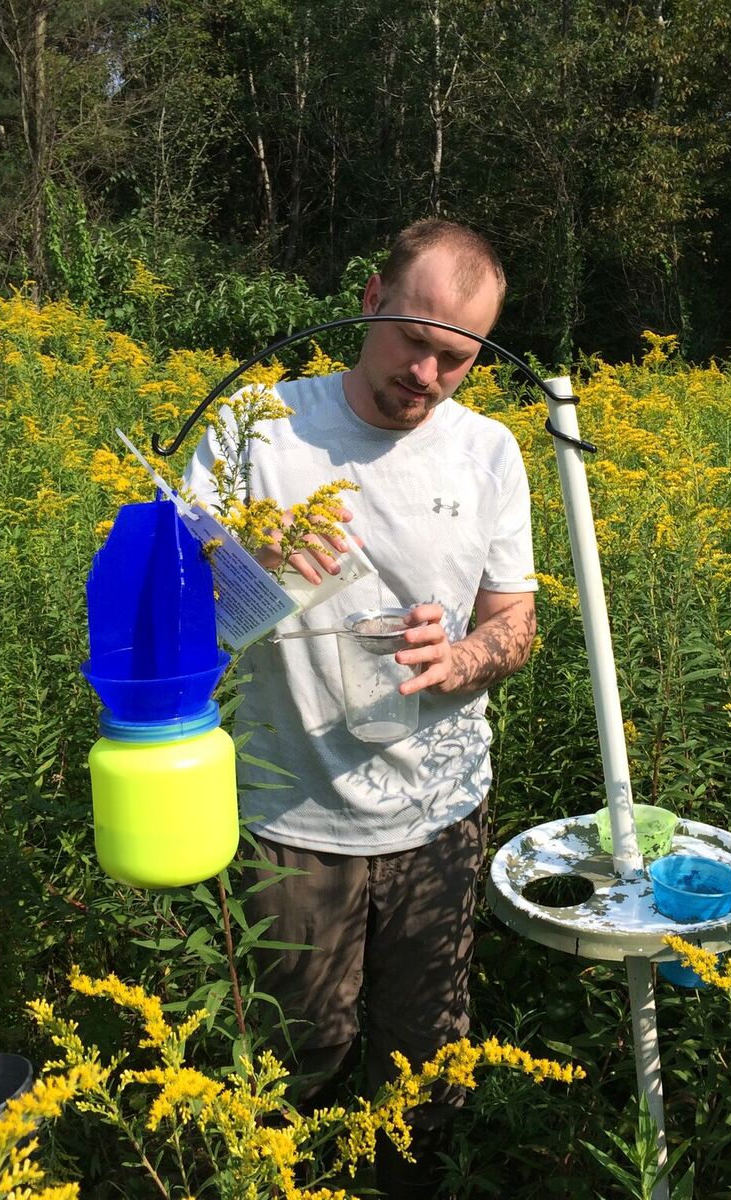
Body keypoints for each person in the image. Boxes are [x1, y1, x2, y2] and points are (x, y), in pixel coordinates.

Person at [183, 219, 536, 1198]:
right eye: (412, 340)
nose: (425, 374)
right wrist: (248, 575)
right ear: (371, 297)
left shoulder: (489, 454)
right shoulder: (255, 429)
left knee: (425, 1072)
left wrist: (466, 656)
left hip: (442, 819)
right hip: (290, 820)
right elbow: (163, 618)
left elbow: (516, 623)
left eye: (455, 360)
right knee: (290, 1062)